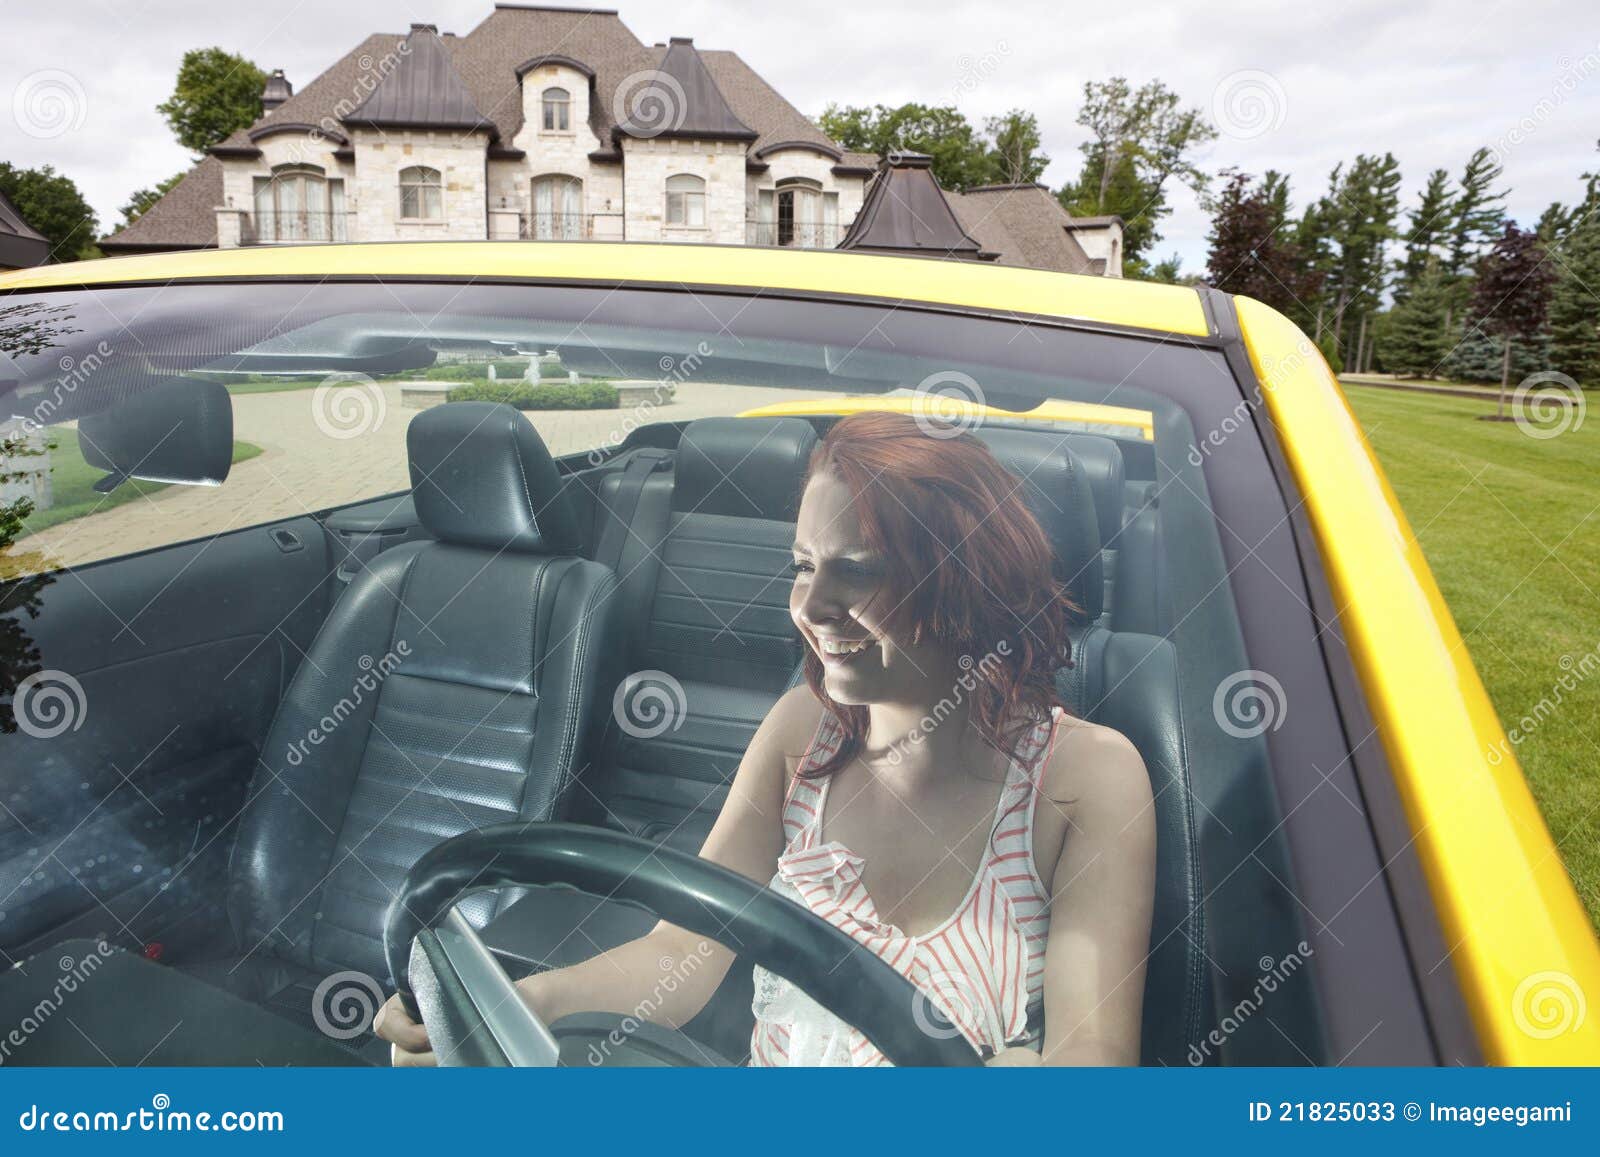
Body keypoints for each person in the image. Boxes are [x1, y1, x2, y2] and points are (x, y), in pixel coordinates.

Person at [376, 411, 1156, 1066]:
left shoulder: (1086, 778)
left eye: (857, 569)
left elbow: (1091, 1068)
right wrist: (521, 1003)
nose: (811, 608)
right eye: (803, 566)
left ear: (963, 581)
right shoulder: (799, 734)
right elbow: (681, 955)